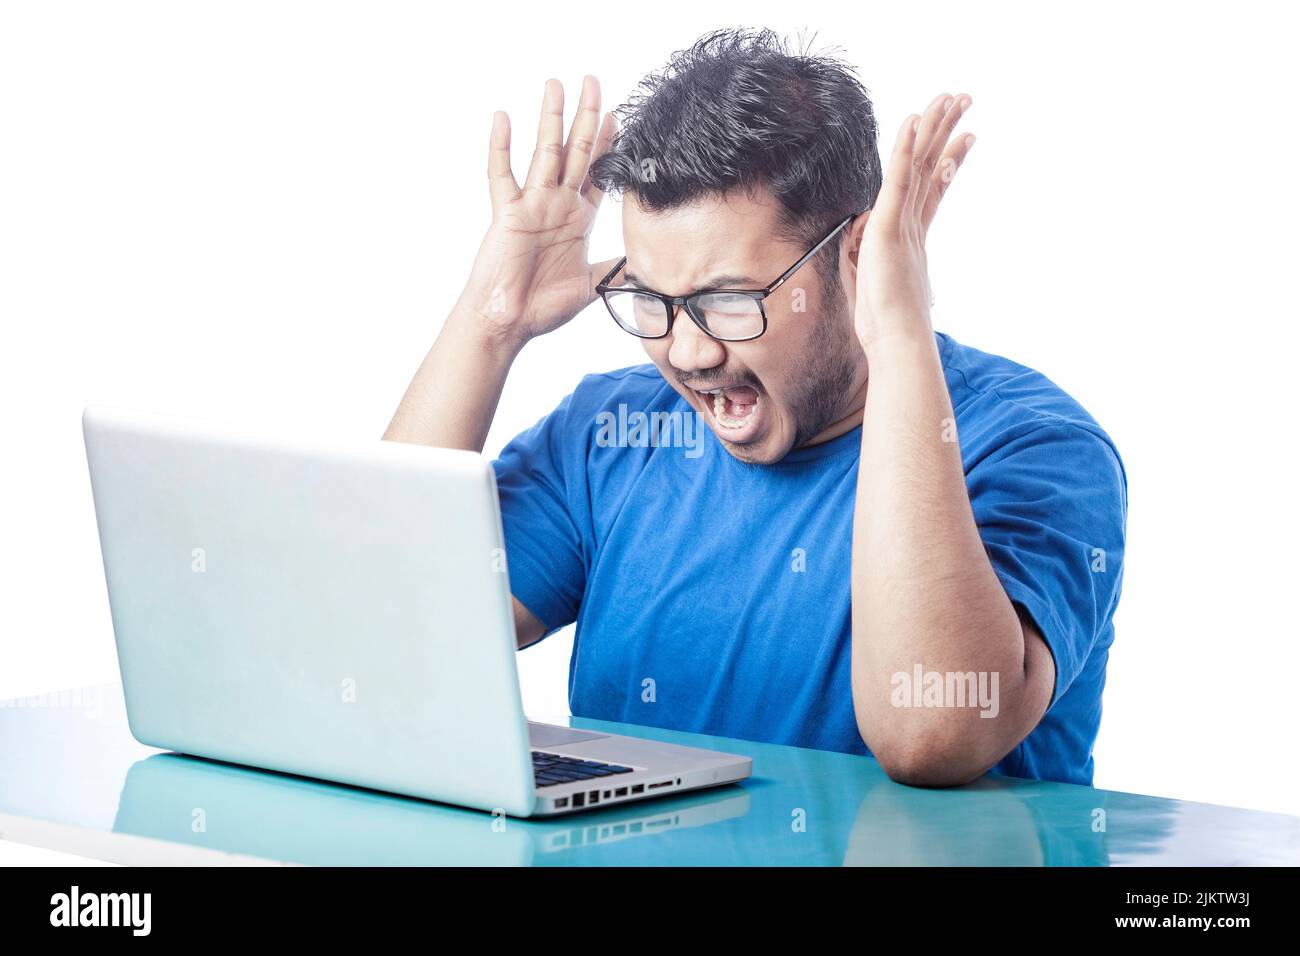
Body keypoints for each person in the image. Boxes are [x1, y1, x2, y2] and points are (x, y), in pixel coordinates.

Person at [384, 29, 1127, 787]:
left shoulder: (1035, 447)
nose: (688, 352)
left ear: (856, 254)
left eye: (730, 301)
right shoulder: (608, 432)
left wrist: (899, 336)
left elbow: (928, 736)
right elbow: (387, 624)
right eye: (651, 299)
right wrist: (491, 320)